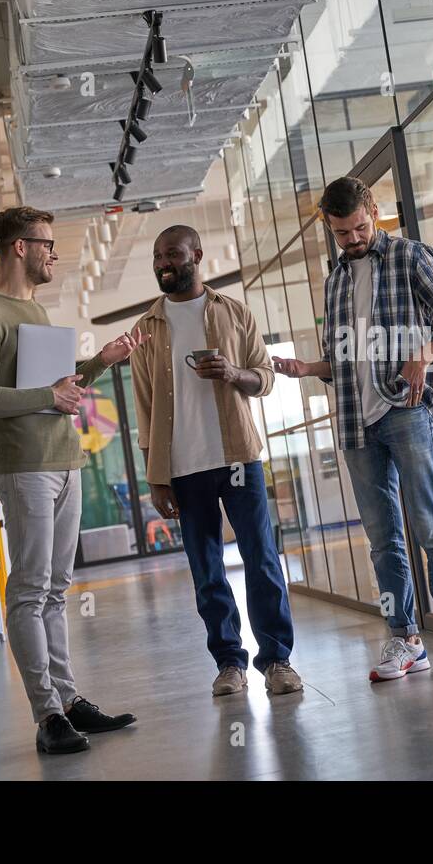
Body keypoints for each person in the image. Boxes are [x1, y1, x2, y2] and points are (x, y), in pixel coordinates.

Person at [273, 176, 433, 681]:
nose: (353, 239)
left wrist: (425, 352)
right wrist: (308, 369)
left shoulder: (410, 256)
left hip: (406, 409)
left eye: (360, 228)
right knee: (382, 539)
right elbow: (345, 358)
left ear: (374, 210)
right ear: (329, 227)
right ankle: (404, 638)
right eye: (342, 233)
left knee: (430, 526)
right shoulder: (336, 278)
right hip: (354, 420)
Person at [0, 206, 145, 754]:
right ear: (20, 247)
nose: (53, 254)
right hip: (27, 469)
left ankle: (67, 698)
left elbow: (56, 388)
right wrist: (49, 395)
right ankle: (47, 715)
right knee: (30, 590)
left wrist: (98, 364)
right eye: (46, 244)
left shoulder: (35, 311)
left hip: (67, 461)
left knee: (57, 590)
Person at [128, 224, 301, 698]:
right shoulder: (146, 329)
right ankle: (229, 662)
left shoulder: (235, 312)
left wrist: (233, 372)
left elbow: (264, 377)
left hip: (238, 456)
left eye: (173, 254)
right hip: (182, 468)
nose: (164, 263)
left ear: (196, 255)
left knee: (261, 558)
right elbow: (144, 408)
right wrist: (155, 478)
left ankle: (278, 661)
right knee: (206, 569)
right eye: (158, 256)